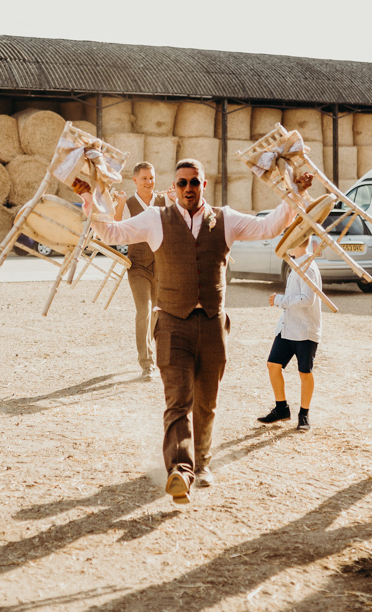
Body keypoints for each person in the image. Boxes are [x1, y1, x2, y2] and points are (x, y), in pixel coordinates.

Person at [75, 158, 314, 505]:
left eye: (195, 183)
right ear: (175, 186)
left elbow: (270, 226)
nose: (189, 188)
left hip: (214, 324)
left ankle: (202, 464)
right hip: (172, 323)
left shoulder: (226, 219)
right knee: (177, 402)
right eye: (183, 182)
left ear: (204, 185)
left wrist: (296, 194)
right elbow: (113, 232)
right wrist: (91, 200)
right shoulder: (156, 219)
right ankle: (180, 470)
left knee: (207, 402)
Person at [258, 234, 322, 432]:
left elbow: (307, 299)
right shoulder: (296, 264)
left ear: (295, 245)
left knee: (304, 373)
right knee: (273, 365)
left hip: (305, 330)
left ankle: (304, 415)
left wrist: (280, 300)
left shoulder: (308, 267)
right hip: (287, 327)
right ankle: (281, 409)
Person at [112, 162, 169, 380]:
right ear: (135, 180)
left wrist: (177, 200)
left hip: (161, 265)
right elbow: (116, 225)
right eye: (144, 178)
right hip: (137, 265)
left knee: (156, 312)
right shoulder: (129, 203)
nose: (149, 182)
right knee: (144, 310)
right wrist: (119, 203)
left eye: (152, 178)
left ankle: (154, 354)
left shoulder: (165, 201)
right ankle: (146, 363)